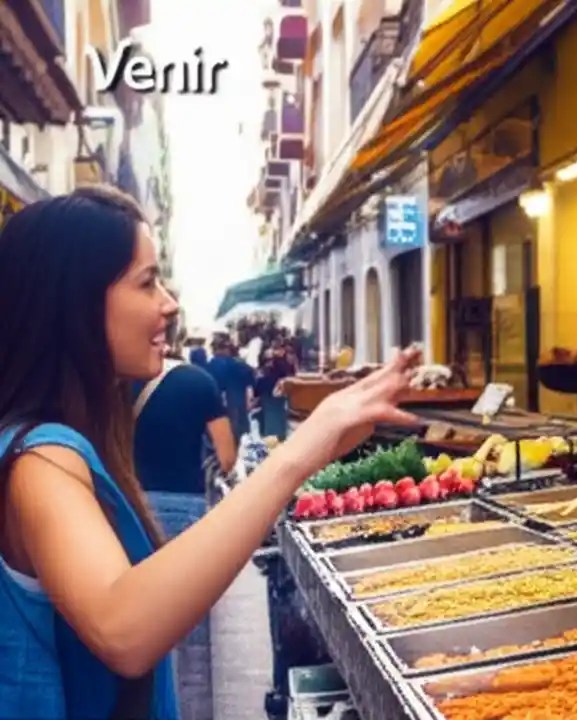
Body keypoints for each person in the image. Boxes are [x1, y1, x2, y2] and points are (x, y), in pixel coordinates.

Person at [0, 185, 423, 719]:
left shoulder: (59, 446)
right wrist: (297, 457)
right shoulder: (41, 460)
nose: (170, 304)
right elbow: (123, 629)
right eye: (147, 282)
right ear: (77, 303)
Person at [129, 357, 235, 720]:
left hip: (129, 510)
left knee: (138, 631)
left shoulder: (117, 382)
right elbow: (227, 456)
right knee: (191, 638)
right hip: (184, 511)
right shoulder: (199, 382)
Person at [206, 338, 254, 444]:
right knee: (239, 430)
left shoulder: (212, 364)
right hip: (238, 401)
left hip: (221, 402)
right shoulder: (239, 364)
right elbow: (250, 379)